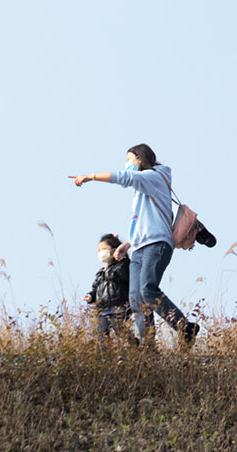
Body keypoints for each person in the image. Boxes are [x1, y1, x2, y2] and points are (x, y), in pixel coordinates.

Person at [70, 143, 199, 347]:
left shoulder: (154, 177)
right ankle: (149, 347)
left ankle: (185, 327)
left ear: (140, 159)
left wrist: (92, 177)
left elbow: (125, 177)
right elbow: (144, 221)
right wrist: (127, 245)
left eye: (129, 159)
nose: (127, 164)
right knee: (136, 299)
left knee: (148, 289)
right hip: (139, 247)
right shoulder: (142, 188)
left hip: (156, 245)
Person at [84, 232, 131, 340]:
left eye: (103, 249)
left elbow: (126, 277)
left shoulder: (122, 265)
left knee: (119, 329)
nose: (100, 253)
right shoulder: (101, 272)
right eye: (99, 251)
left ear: (114, 250)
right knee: (101, 334)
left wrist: (122, 257)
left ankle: (136, 347)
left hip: (118, 306)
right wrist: (91, 296)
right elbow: (95, 289)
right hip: (103, 308)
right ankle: (105, 355)